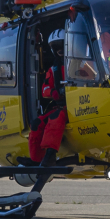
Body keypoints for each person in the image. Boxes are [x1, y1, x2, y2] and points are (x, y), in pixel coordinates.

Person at [27, 28, 67, 165]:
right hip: (59, 106)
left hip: (75, 106)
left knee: (56, 117)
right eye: (56, 47)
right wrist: (53, 92)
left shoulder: (81, 65)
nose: (60, 50)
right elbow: (45, 89)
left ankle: (50, 154)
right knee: (36, 123)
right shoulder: (53, 69)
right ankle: (35, 159)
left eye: (62, 46)